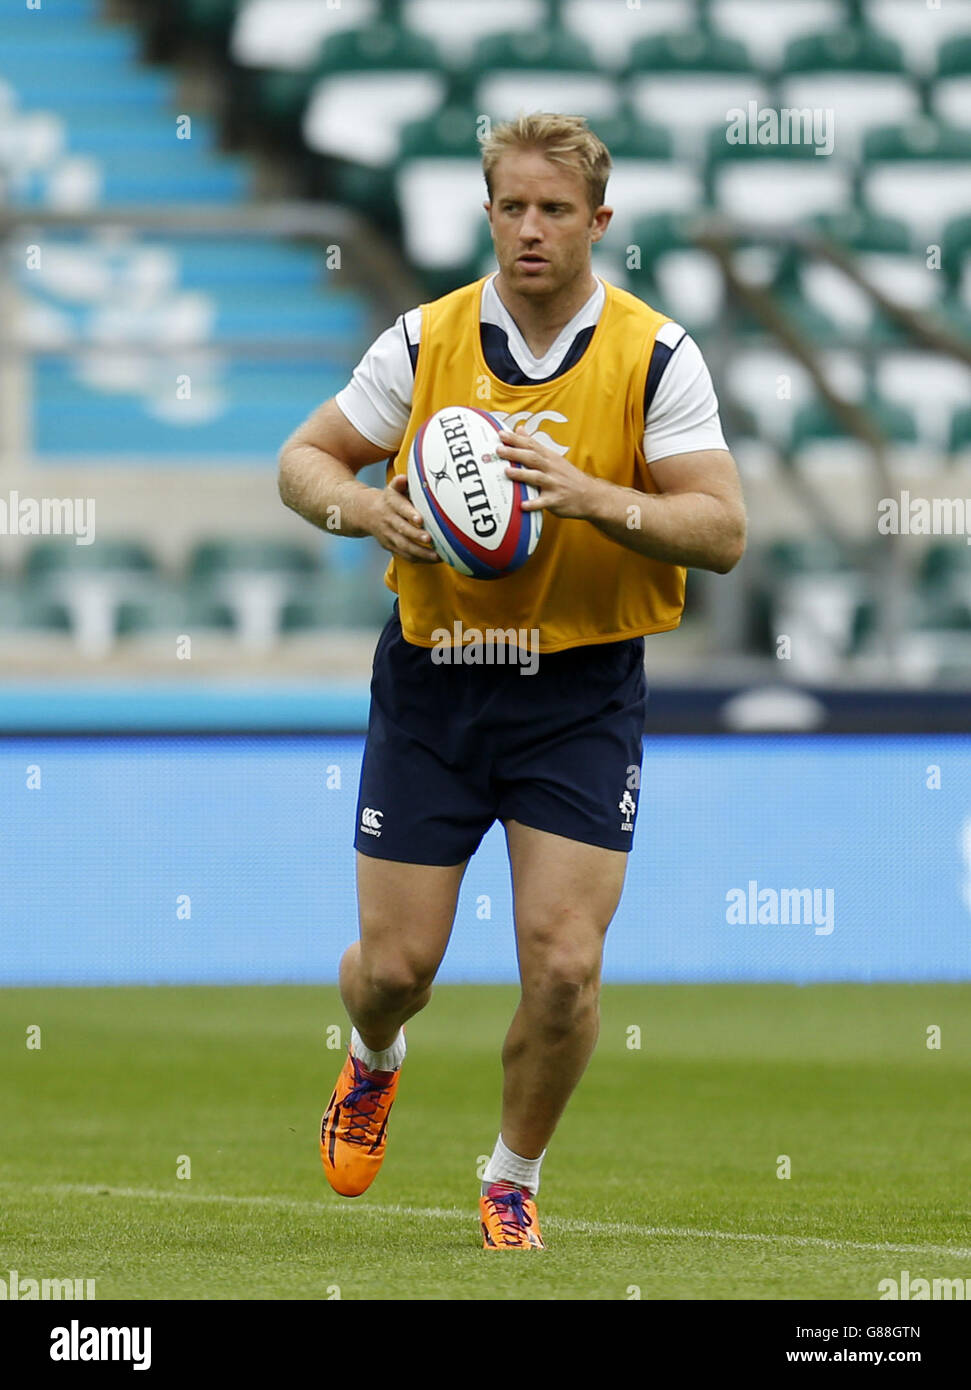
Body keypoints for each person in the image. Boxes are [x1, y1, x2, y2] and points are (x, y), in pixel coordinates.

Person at [278, 112, 746, 1250]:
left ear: (598, 220)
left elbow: (722, 530)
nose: (528, 229)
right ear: (486, 213)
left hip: (578, 694)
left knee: (565, 965)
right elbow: (301, 462)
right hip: (437, 682)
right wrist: (367, 505)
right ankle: (372, 1057)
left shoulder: (652, 355)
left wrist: (593, 497)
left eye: (552, 210)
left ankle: (509, 1178)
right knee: (394, 968)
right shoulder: (424, 340)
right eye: (509, 208)